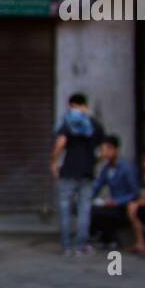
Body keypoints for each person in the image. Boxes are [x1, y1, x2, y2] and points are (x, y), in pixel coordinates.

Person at [52, 92, 103, 256]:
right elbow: (102, 150)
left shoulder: (68, 121)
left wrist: (53, 160)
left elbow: (61, 143)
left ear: (71, 104)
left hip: (68, 170)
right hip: (87, 171)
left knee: (65, 206)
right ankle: (81, 245)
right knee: (84, 209)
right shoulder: (94, 123)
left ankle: (66, 246)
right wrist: (93, 162)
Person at [90, 135, 140, 248]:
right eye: (103, 150)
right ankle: (103, 237)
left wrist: (118, 201)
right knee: (92, 209)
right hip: (111, 204)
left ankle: (111, 238)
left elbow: (135, 192)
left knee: (105, 213)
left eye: (108, 149)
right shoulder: (106, 168)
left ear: (116, 149)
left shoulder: (126, 167)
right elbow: (97, 186)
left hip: (123, 205)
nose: (105, 153)